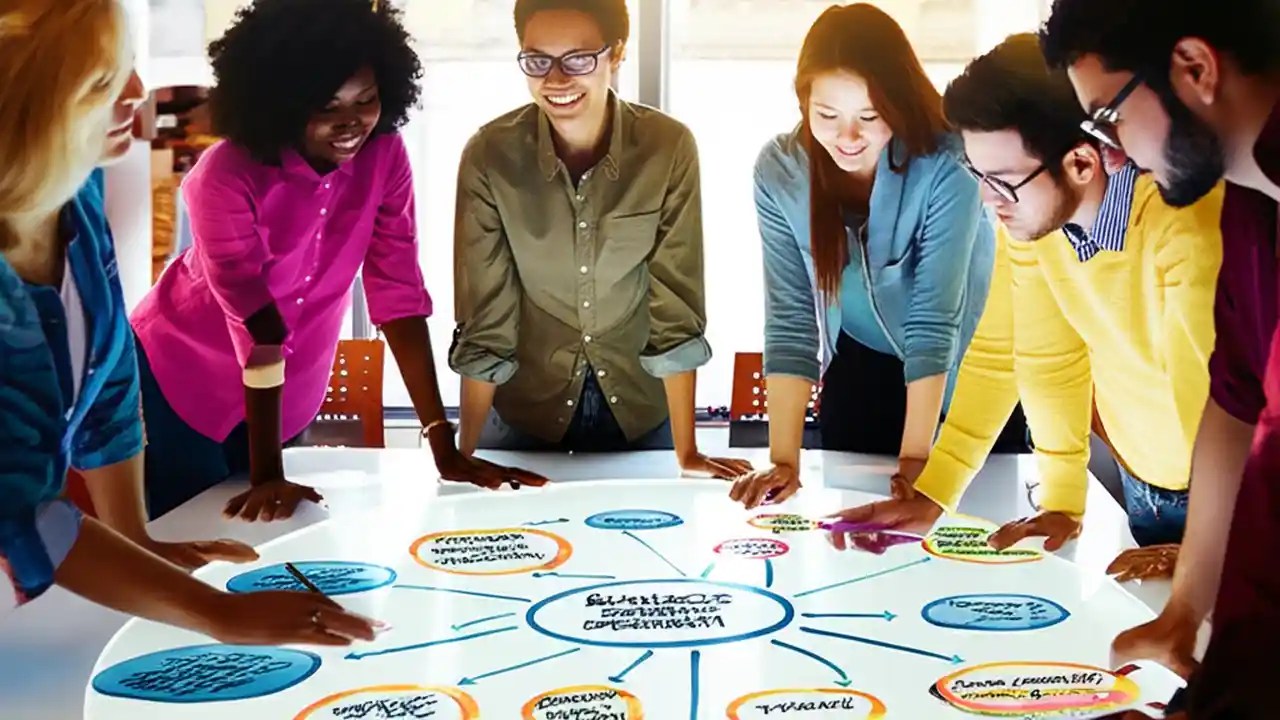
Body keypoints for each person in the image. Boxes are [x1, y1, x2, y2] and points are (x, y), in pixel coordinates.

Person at [0, 0, 376, 645]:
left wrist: (137, 541)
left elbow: (110, 383)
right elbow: (21, 512)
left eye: (129, 68)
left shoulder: (77, 189)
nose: (139, 95)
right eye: (100, 82)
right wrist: (219, 615)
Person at [130, 0, 550, 526]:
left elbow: (397, 293)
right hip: (182, 377)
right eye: (327, 107)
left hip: (288, 392)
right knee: (195, 536)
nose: (351, 124)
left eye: (367, 100)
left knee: (272, 539)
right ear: (280, 102)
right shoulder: (224, 175)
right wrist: (267, 474)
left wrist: (441, 444)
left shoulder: (385, 155)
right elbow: (254, 319)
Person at [823, 34, 1224, 572]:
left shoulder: (1187, 230)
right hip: (1148, 490)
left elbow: (1230, 411)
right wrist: (945, 495)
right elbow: (1020, 356)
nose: (988, 200)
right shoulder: (1038, 224)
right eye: (977, 176)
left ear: (1082, 163)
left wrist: (1216, 551)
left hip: (1232, 503)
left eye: (1004, 181)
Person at [1041, 0, 1280, 716]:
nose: (1110, 152)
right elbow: (1234, 400)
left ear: (1195, 67)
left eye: (1108, 117)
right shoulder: (1246, 202)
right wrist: (1185, 608)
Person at [728, 3, 1022, 510]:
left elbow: (936, 323)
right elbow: (791, 322)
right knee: (853, 557)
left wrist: (916, 464)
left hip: (965, 381)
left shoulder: (949, 161)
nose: (848, 138)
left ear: (898, 102)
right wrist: (785, 460)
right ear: (803, 102)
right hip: (859, 375)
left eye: (870, 116)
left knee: (968, 553)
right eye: (826, 115)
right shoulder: (780, 173)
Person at [449, 0, 751, 479]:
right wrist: (461, 456)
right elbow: (487, 315)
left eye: (578, 60)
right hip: (525, 412)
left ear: (617, 54)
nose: (556, 79)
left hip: (642, 409)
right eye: (537, 60)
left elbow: (675, 301)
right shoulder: (490, 156)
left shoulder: (667, 147)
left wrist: (689, 452)